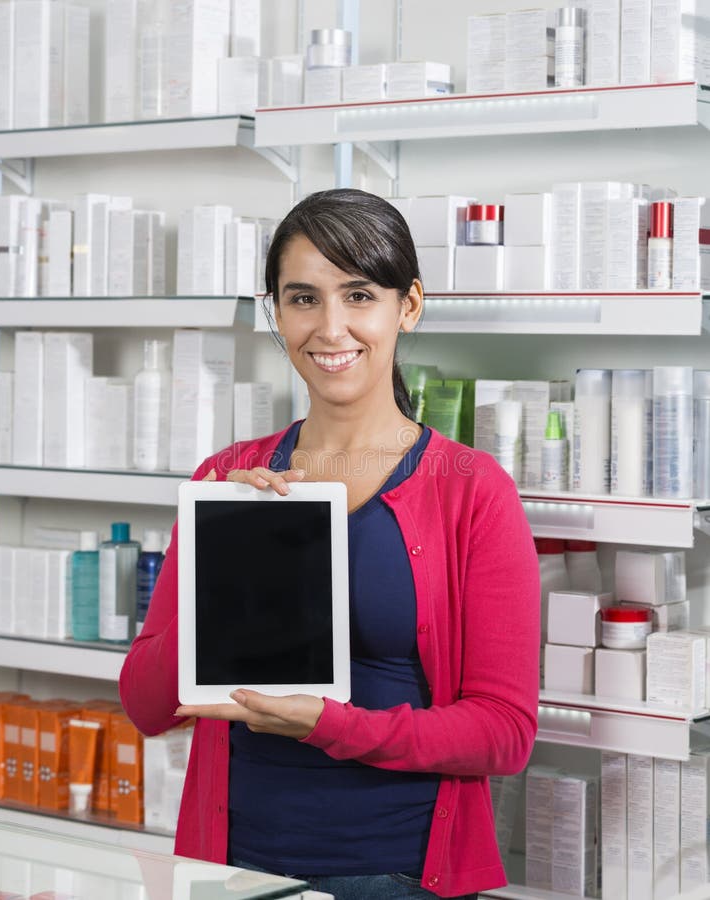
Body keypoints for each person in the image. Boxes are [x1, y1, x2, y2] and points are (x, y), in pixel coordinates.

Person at [119, 188, 540, 900]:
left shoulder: (471, 488)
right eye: (303, 298)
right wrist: (222, 557)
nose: (331, 327)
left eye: (359, 295)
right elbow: (148, 704)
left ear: (408, 306)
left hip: (396, 873)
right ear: (275, 312)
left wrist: (329, 725)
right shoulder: (227, 479)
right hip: (228, 870)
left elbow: (503, 733)